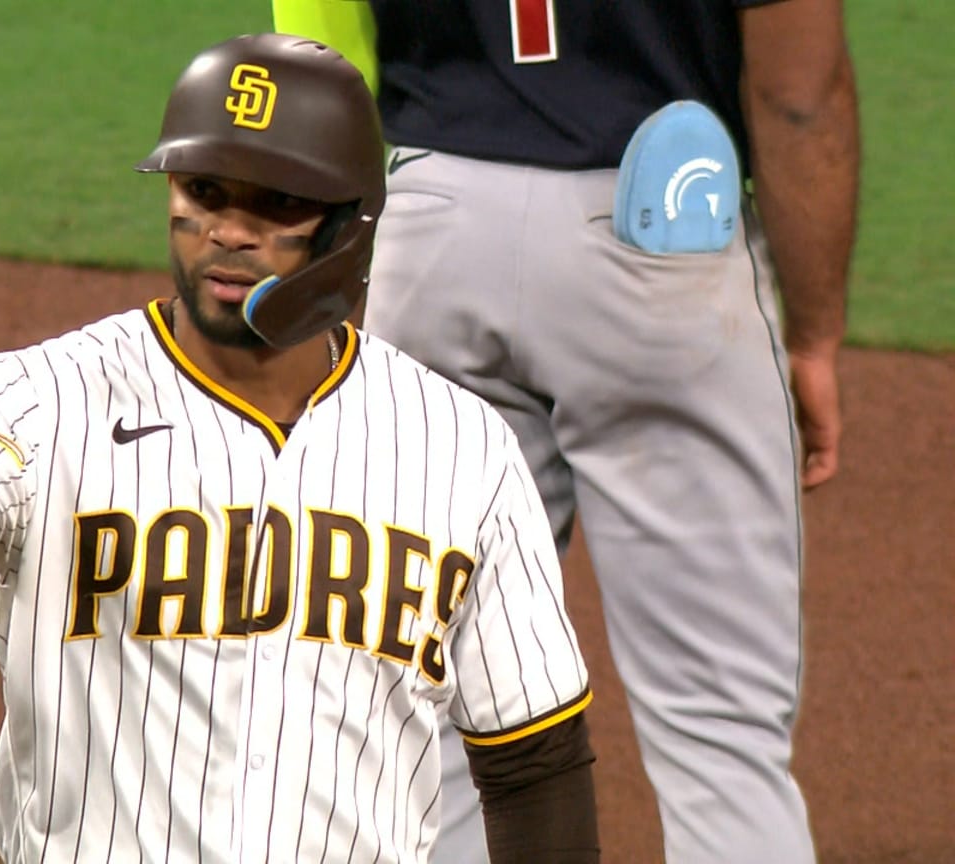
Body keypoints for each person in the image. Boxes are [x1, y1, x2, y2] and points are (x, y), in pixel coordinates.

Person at [0, 32, 601, 864]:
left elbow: (535, 762)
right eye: (204, 191)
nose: (228, 230)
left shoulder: (461, 446)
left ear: (350, 226)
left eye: (276, 203)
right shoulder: (50, 395)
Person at [271, 1, 861, 862]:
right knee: (720, 735)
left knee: (433, 708)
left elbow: (319, 59)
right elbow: (800, 96)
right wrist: (812, 336)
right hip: (664, 237)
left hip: (432, 237)